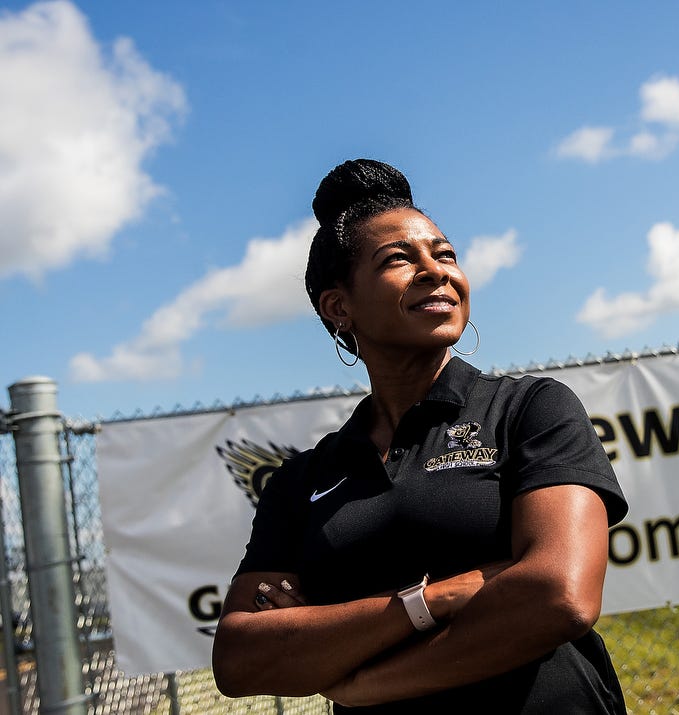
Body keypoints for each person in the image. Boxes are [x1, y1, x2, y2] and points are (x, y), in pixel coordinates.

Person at [211, 159, 629, 713]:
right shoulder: (302, 480)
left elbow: (559, 596)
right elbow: (241, 659)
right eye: (399, 259)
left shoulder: (529, 410)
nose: (436, 271)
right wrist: (435, 598)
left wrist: (370, 680)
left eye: (446, 254)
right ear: (339, 307)